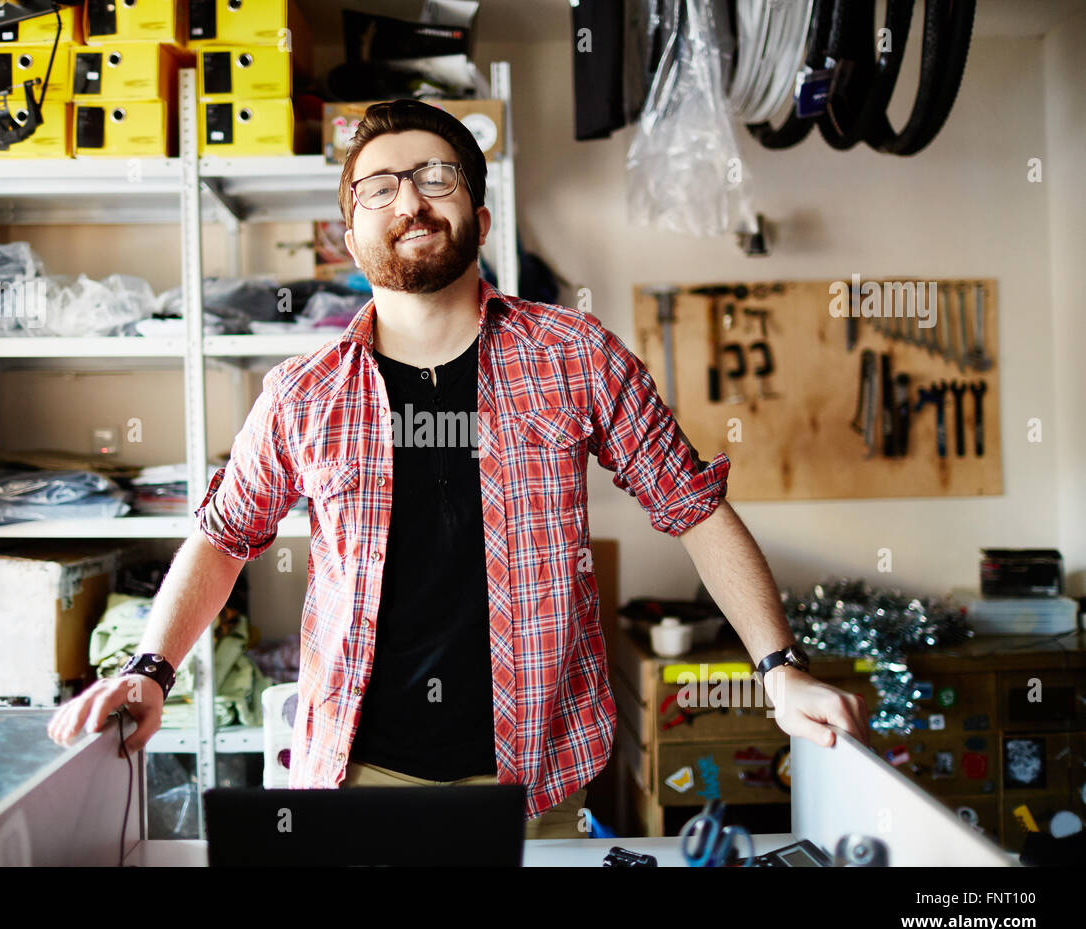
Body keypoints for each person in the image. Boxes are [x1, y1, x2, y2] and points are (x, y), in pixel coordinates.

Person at [48, 98, 870, 841]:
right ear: (349, 234)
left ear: (477, 213)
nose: (409, 200)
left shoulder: (575, 356)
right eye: (379, 187)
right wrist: (150, 671)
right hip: (355, 778)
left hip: (535, 783)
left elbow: (691, 506)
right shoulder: (303, 394)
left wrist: (781, 669)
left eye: (434, 177)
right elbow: (224, 537)